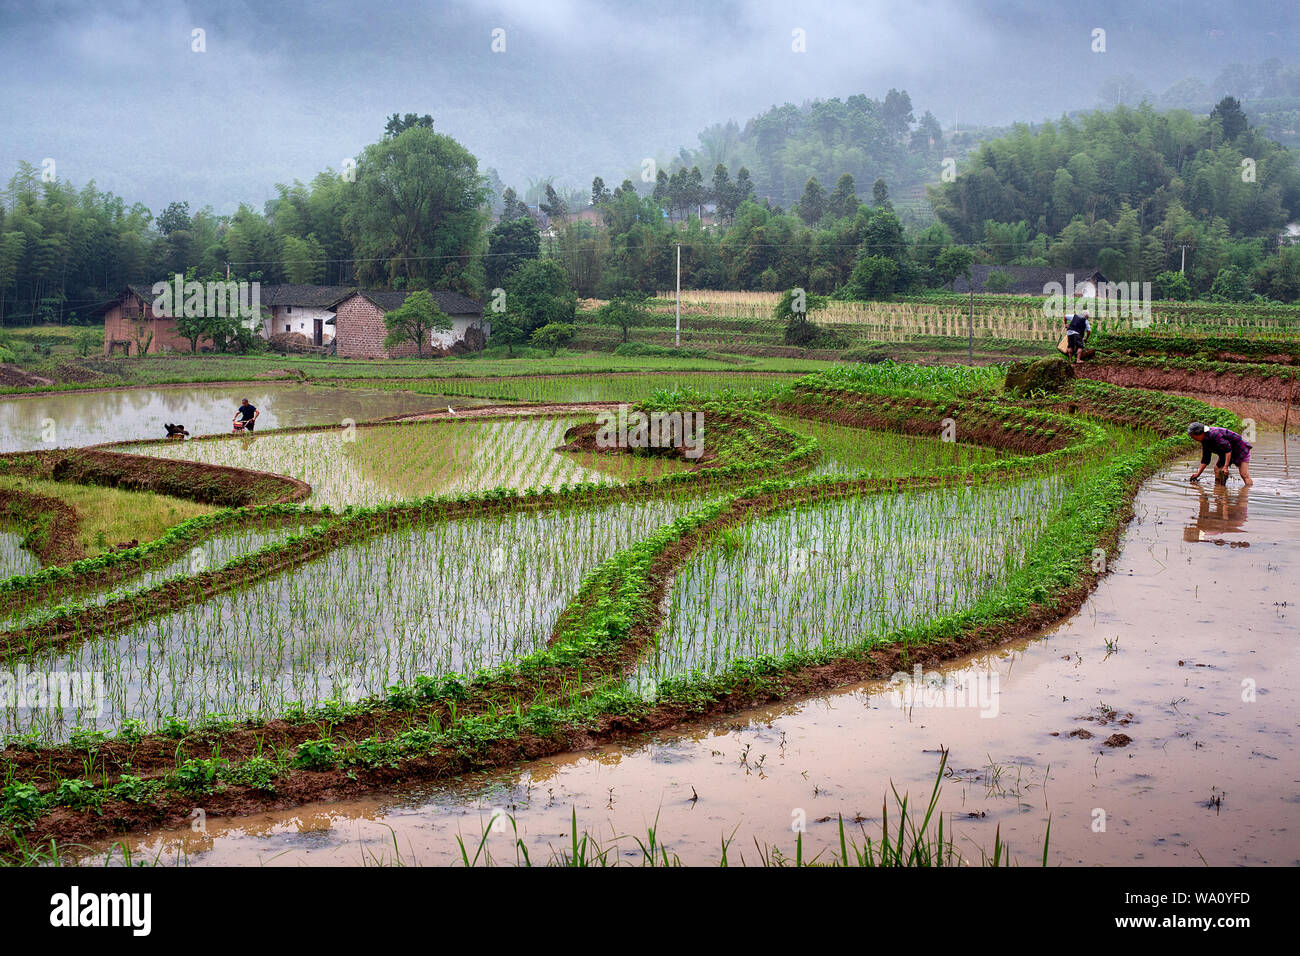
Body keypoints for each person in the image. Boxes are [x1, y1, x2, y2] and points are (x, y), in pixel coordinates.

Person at [1187, 422, 1252, 486]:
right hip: (1225, 453)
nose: (1194, 439)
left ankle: (1246, 492)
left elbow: (1228, 449)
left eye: (1194, 436)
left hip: (1240, 450)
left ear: (1200, 433)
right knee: (1217, 470)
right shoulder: (1205, 441)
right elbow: (1206, 459)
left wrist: (1225, 467)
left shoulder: (1216, 434)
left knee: (1244, 474)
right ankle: (1220, 490)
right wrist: (1198, 474)